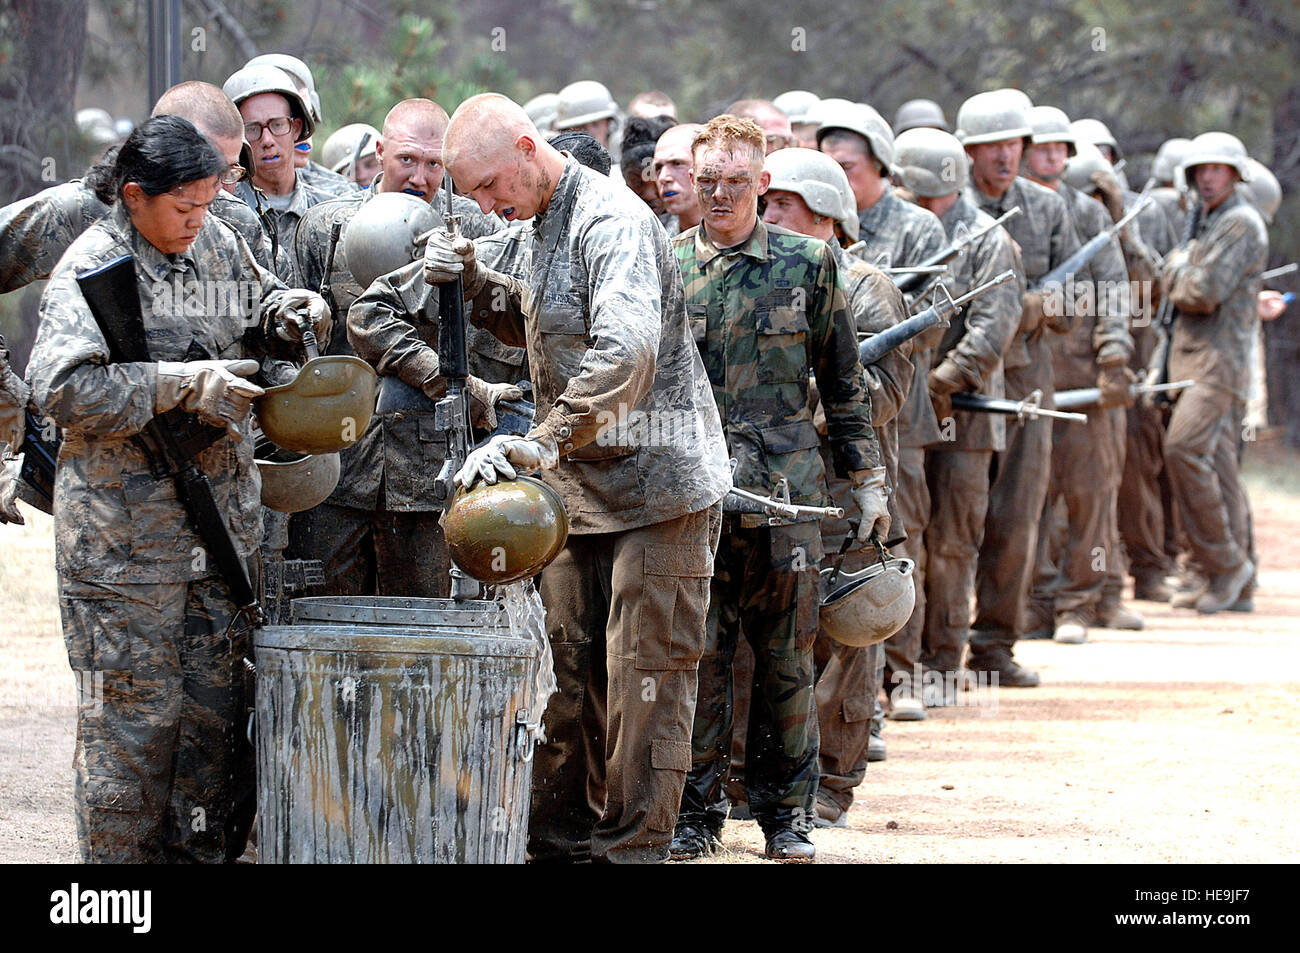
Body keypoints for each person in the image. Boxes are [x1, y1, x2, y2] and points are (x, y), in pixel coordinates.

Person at [424, 93, 731, 864]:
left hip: (659, 490)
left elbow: (624, 351)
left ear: (529, 149)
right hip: (577, 489)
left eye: (493, 187)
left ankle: (633, 849)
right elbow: (538, 318)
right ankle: (557, 843)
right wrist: (467, 282)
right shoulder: (534, 224)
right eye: (475, 197)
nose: (490, 208)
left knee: (643, 685)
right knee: (565, 678)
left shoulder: (611, 223)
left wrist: (547, 437)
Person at [25, 115, 329, 862]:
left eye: (207, 203)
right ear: (134, 195)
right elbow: (59, 388)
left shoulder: (217, 242)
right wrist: (176, 386)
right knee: (132, 730)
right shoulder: (93, 266)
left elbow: (254, 306)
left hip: (217, 537)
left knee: (213, 728)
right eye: (183, 208)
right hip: (126, 554)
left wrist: (289, 312)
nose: (199, 221)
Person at [667, 116, 887, 861]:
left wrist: (868, 482)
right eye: (707, 182)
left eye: (735, 182)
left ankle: (786, 818)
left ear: (763, 184)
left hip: (789, 502)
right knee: (697, 657)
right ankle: (693, 818)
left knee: (788, 661)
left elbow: (844, 381)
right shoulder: (669, 267)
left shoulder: (810, 264)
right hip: (697, 499)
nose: (720, 195)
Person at [290, 99, 506, 599]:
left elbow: (501, 330)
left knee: (427, 628)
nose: (420, 176)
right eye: (407, 159)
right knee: (327, 621)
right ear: (381, 151)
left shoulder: (474, 229)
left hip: (434, 471)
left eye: (434, 164)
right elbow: (293, 342)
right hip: (340, 466)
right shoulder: (327, 227)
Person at [756, 145, 912, 826]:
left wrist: (806, 393)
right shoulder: (761, 275)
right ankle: (758, 781)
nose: (769, 215)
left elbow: (884, 392)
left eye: (782, 204)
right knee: (773, 632)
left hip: (847, 487)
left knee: (847, 636)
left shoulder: (870, 287)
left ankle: (831, 784)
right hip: (778, 485)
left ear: (824, 214)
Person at [890, 127, 1022, 710]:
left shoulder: (989, 239)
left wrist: (948, 379)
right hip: (909, 410)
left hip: (966, 417)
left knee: (954, 543)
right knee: (908, 537)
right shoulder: (901, 231)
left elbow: (995, 322)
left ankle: (943, 662)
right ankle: (900, 663)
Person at [958, 89, 1081, 686]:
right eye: (991, 146)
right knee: (953, 517)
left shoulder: (1048, 208)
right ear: (968, 151)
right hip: (963, 377)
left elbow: (1079, 296)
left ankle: (994, 647)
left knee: (1016, 515)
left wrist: (1034, 306)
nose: (1005, 156)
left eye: (1014, 144)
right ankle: (936, 648)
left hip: (1028, 378)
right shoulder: (948, 206)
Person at [1020, 108, 1134, 645]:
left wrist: (1115, 354)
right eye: (1039, 147)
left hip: (1086, 371)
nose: (1049, 157)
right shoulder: (1011, 210)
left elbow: (1114, 286)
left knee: (1089, 493)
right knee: (1029, 497)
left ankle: (1079, 603)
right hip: (1028, 375)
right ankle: (1036, 602)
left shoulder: (1088, 214)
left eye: (1057, 149)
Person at [1157, 132, 1266, 614]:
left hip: (1217, 363)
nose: (1206, 177)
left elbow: (1200, 292)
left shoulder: (1240, 222)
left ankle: (1224, 563)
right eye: (1199, 170)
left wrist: (1177, 266)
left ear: (1236, 174)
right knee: (1218, 466)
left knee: (1182, 449)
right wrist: (1179, 268)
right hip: (1196, 360)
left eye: (1216, 169)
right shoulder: (1209, 219)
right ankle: (1232, 577)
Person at [224, 64, 331, 279]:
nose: (267, 140)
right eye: (252, 129)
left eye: (278, 125)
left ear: (297, 128)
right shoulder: (224, 216)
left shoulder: (329, 214)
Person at [653, 123, 705, 238]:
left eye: (677, 164)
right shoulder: (652, 238)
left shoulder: (745, 233)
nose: (663, 177)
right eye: (658, 168)